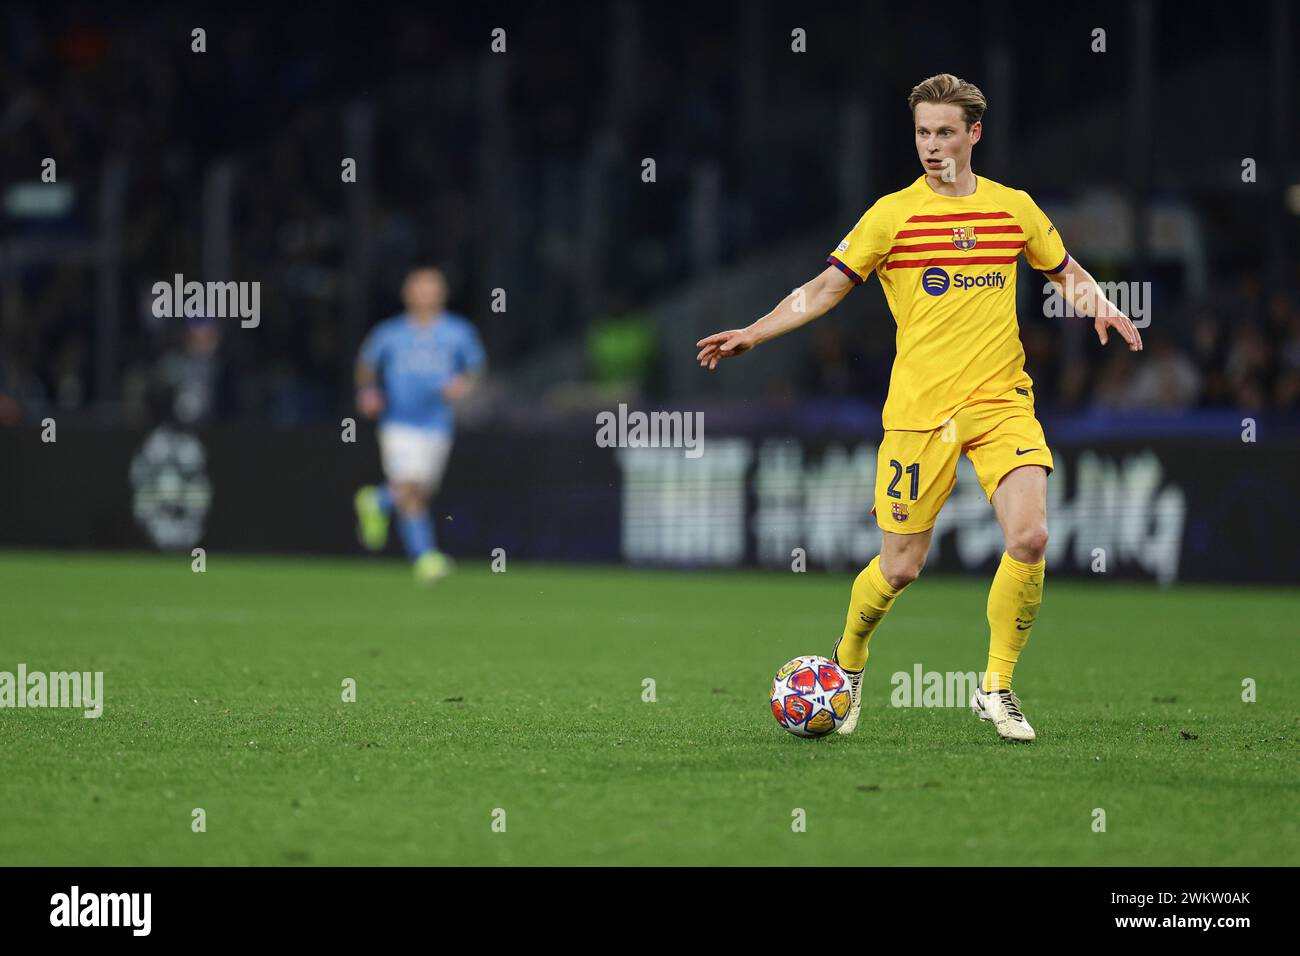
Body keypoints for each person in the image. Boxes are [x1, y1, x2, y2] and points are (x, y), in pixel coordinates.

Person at [695, 74, 1143, 741]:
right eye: (922, 133)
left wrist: (1100, 303)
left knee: (1030, 537)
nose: (932, 146)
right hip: (920, 413)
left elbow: (1064, 271)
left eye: (944, 133)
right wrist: (755, 333)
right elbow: (823, 290)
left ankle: (996, 687)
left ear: (974, 134)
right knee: (901, 566)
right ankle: (848, 662)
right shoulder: (891, 215)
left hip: (1001, 401)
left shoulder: (1013, 209)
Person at [353, 267, 485, 583]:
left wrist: (464, 385)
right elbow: (366, 365)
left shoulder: (458, 332)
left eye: (432, 289)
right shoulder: (390, 332)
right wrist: (368, 392)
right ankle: (425, 558)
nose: (425, 295)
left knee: (417, 492)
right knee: (410, 487)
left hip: (438, 424)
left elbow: (475, 369)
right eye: (419, 289)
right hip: (399, 422)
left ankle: (378, 500)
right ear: (407, 294)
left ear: (442, 294)